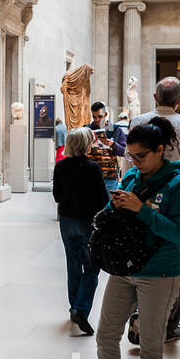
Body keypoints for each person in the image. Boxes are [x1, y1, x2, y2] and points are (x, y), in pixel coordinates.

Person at [74, 116, 180, 359]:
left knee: (150, 345)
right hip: (123, 269)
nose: (135, 162)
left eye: (141, 156)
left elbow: (179, 233)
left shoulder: (179, 185)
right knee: (106, 336)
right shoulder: (129, 176)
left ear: (160, 151)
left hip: (160, 272)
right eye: (131, 155)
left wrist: (142, 209)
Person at [128, 77, 180, 344]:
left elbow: (128, 164)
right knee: (173, 263)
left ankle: (142, 310)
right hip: (175, 201)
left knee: (139, 255)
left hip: (139, 198)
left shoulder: (138, 122)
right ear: (179, 101)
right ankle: (167, 324)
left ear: (154, 97)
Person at [52, 127, 108, 336]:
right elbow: (103, 199)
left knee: (73, 265)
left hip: (66, 220)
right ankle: (81, 310)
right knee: (92, 267)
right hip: (87, 221)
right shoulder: (93, 167)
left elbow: (57, 195)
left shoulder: (60, 166)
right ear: (86, 144)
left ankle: (74, 307)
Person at [87, 101, 127, 191]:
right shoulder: (87, 129)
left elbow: (124, 151)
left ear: (105, 114)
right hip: (90, 175)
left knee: (109, 204)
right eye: (94, 116)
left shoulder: (116, 130)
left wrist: (112, 144)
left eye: (100, 116)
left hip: (110, 176)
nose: (97, 119)